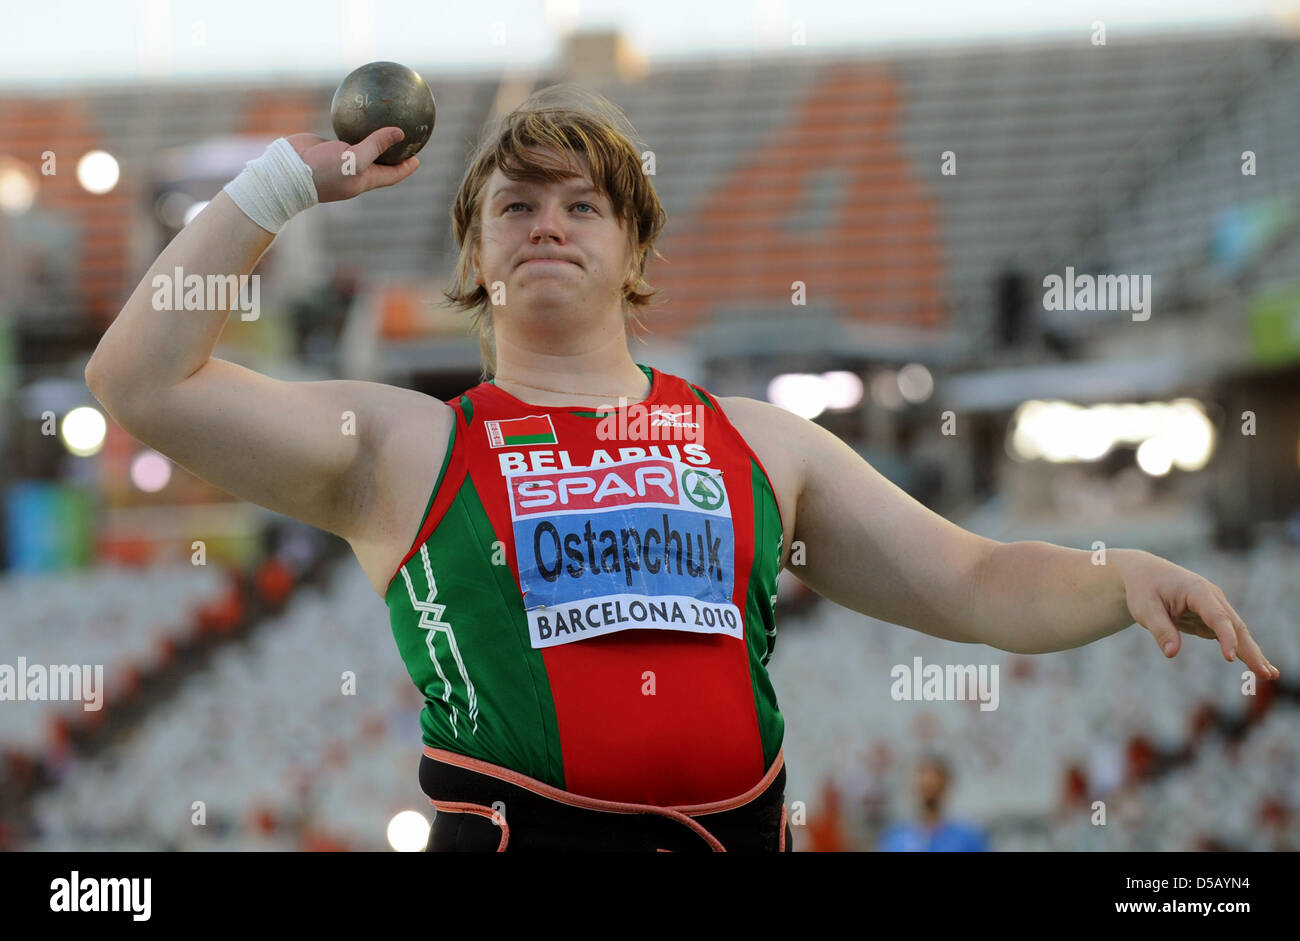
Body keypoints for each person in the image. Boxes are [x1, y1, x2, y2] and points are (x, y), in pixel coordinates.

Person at [85, 84, 1280, 852]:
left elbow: (968, 580)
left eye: (582, 204)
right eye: (513, 206)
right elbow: (139, 381)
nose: (546, 221)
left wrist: (1108, 567)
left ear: (635, 250)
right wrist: (281, 186)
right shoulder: (406, 444)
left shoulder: (760, 441)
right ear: (473, 253)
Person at [877, 754, 989, 852]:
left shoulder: (968, 836)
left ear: (946, 785)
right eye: (923, 780)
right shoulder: (895, 837)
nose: (928, 786)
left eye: (934, 782)